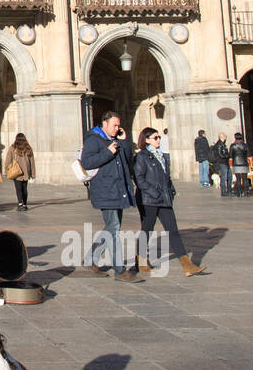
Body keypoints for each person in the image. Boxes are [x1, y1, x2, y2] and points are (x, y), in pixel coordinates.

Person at [133, 128, 205, 277]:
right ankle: (140, 262)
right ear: (146, 140)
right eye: (155, 138)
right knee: (147, 230)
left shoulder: (162, 156)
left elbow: (166, 177)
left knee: (173, 231)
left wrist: (171, 190)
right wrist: (154, 192)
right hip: (149, 200)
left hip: (164, 199)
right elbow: (139, 178)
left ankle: (187, 265)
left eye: (159, 137)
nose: (158, 140)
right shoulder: (142, 156)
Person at [80, 112, 137, 280]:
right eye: (115, 125)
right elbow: (87, 162)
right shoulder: (94, 139)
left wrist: (124, 141)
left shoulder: (115, 140)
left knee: (112, 227)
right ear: (104, 123)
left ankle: (90, 259)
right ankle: (120, 270)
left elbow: (127, 159)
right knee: (114, 228)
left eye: (119, 125)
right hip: (105, 189)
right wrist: (107, 152)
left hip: (118, 190)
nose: (117, 128)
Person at [4, 133, 35, 211]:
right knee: (25, 188)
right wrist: (33, 173)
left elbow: (8, 159)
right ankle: (24, 204)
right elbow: (32, 161)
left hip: (16, 171)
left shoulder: (13, 147)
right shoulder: (28, 148)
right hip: (26, 171)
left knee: (18, 189)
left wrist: (6, 170)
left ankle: (20, 204)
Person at [210, 132, 232, 197]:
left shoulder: (222, 144)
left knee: (229, 177)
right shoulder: (219, 145)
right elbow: (220, 155)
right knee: (224, 177)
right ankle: (224, 192)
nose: (226, 138)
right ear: (223, 137)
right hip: (222, 163)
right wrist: (228, 156)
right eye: (225, 137)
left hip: (225, 163)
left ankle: (229, 190)